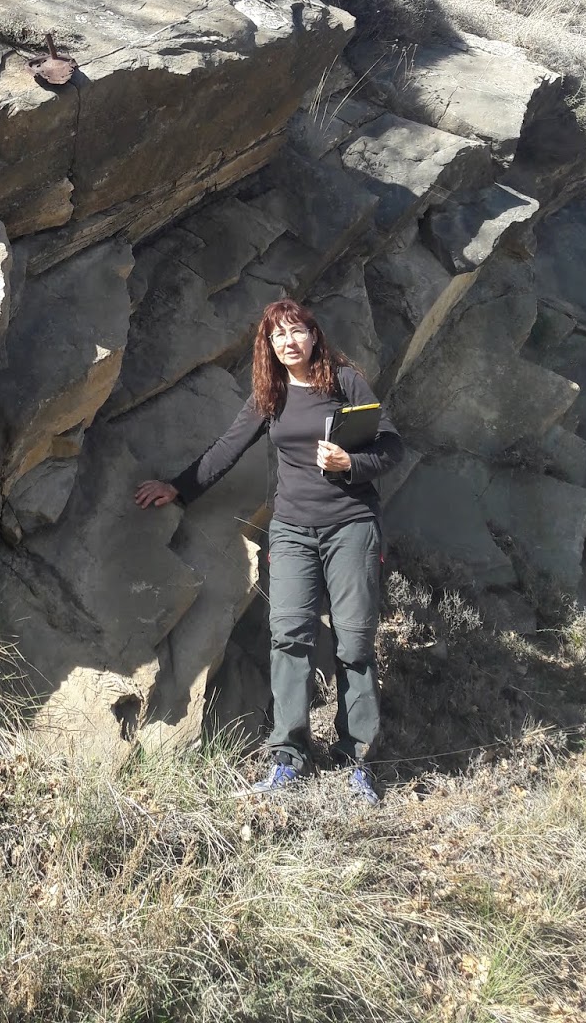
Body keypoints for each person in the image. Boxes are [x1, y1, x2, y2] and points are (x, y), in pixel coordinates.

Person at [135, 297, 403, 803]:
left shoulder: (344, 382)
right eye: (278, 335)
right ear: (269, 345)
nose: (289, 341)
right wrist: (179, 488)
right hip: (293, 532)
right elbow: (227, 448)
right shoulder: (270, 394)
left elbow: (390, 447)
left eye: (297, 331)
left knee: (353, 643)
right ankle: (289, 758)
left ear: (314, 335)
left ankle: (358, 760)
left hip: (351, 527)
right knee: (290, 639)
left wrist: (351, 462)